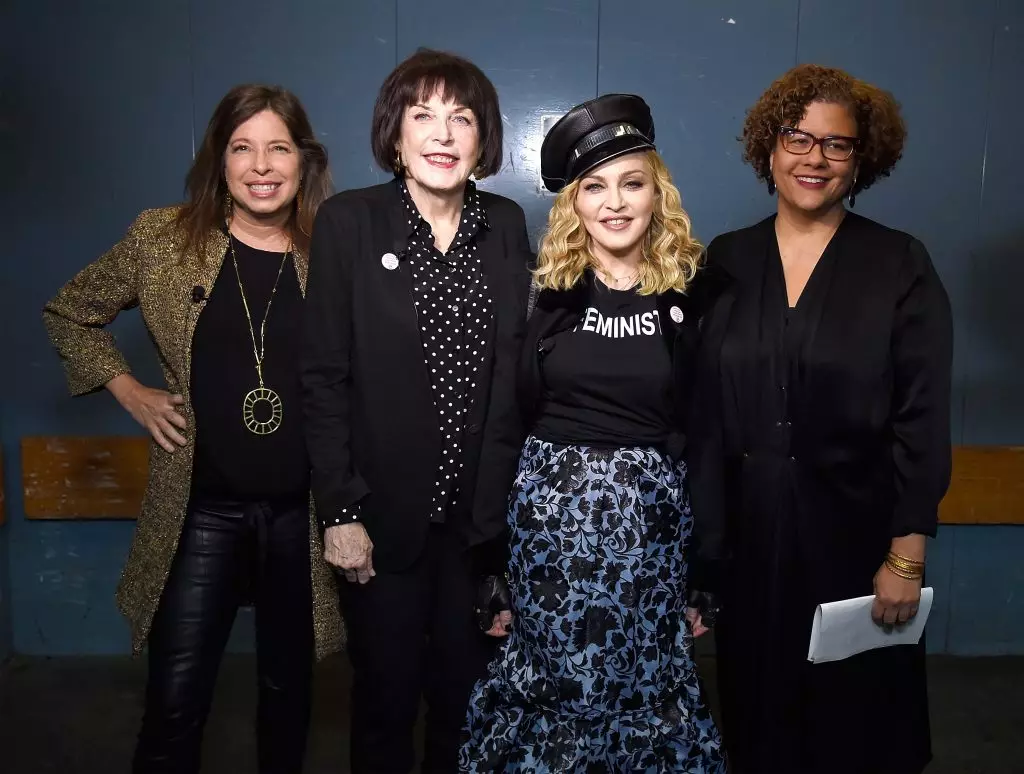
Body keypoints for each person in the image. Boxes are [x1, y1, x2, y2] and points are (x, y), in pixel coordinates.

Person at [43, 84, 341, 774]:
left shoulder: (334, 252)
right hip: (201, 511)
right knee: (175, 701)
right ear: (219, 160)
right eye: (242, 148)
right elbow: (70, 311)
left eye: (278, 148)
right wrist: (129, 390)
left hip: (303, 517)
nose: (261, 165)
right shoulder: (163, 239)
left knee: (288, 696)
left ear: (304, 161)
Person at [689, 64, 953, 773]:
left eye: (837, 146)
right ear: (768, 149)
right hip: (748, 543)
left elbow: (921, 418)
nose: (814, 158)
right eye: (797, 138)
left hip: (856, 538)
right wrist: (701, 555)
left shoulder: (899, 264)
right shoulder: (727, 260)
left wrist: (907, 554)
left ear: (862, 160)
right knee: (756, 718)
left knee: (855, 725)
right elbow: (703, 415)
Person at [460, 94, 727, 772]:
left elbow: (707, 429)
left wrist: (706, 568)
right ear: (573, 204)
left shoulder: (692, 295)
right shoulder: (541, 293)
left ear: (655, 194)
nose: (614, 203)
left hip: (652, 536)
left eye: (631, 184)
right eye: (595, 188)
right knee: (553, 689)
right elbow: (503, 424)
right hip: (550, 538)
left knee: (648, 687)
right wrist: (487, 562)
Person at [300, 49, 532, 774]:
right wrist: (339, 511)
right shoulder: (351, 221)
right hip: (379, 521)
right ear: (394, 134)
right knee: (385, 700)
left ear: (483, 138)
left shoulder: (505, 223)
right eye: (422, 115)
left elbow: (515, 375)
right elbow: (322, 377)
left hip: (476, 528)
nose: (442, 133)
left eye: (461, 118)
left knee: (468, 703)